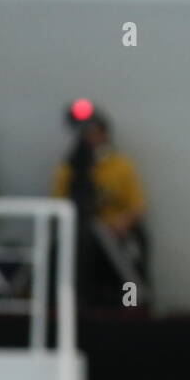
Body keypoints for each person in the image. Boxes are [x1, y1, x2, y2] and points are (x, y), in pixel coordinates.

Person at [52, 100, 149, 308]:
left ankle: (134, 302)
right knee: (77, 243)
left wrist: (120, 223)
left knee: (138, 242)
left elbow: (137, 205)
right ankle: (77, 301)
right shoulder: (69, 169)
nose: (90, 139)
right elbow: (59, 207)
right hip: (83, 231)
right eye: (85, 135)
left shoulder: (121, 166)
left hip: (117, 229)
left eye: (94, 133)